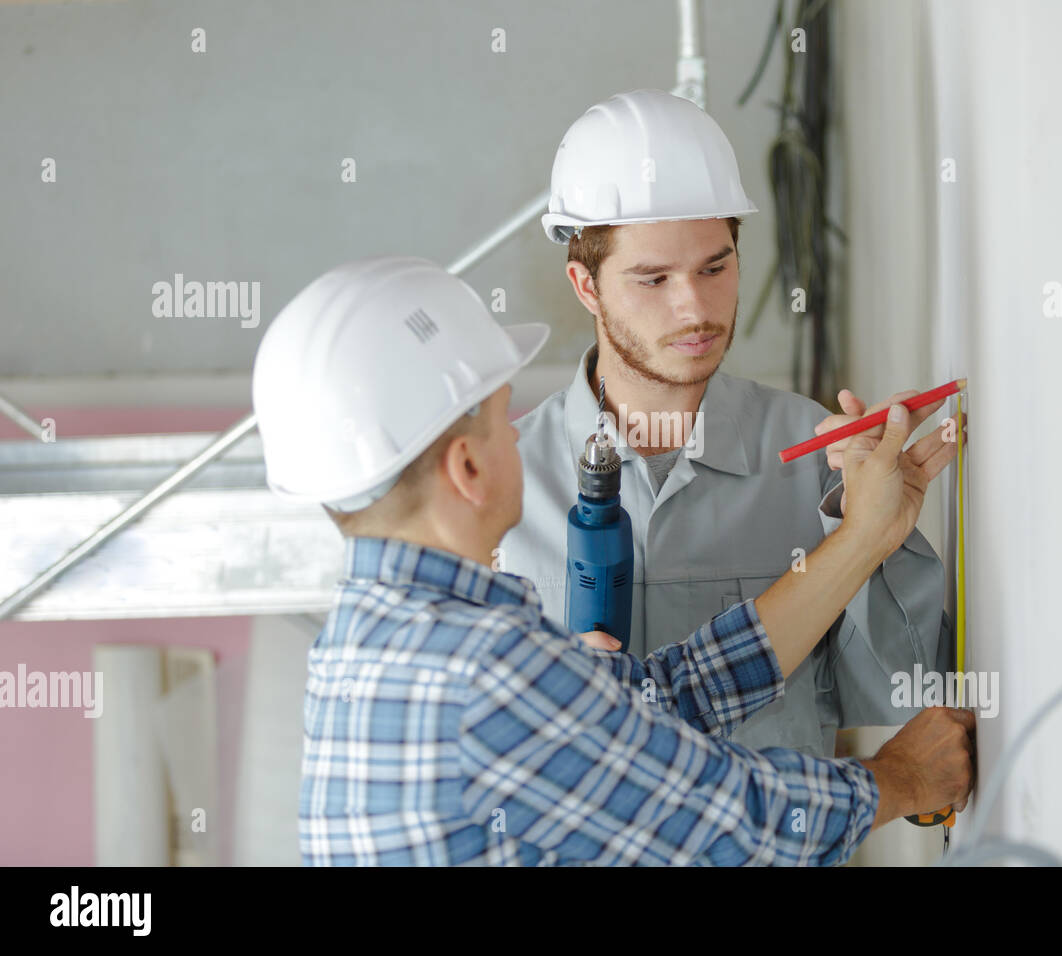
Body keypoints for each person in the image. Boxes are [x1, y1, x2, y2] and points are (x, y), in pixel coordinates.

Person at [252, 256, 974, 865]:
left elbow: (662, 697)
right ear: (468, 467)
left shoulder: (361, 651)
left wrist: (864, 535)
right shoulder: (479, 666)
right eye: (504, 418)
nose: (521, 435)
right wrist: (902, 777)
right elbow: (729, 822)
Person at [500, 89, 960, 758]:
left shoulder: (813, 460)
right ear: (586, 286)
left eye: (714, 267)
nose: (694, 308)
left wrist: (876, 534)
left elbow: (906, 689)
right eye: (653, 279)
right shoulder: (505, 489)